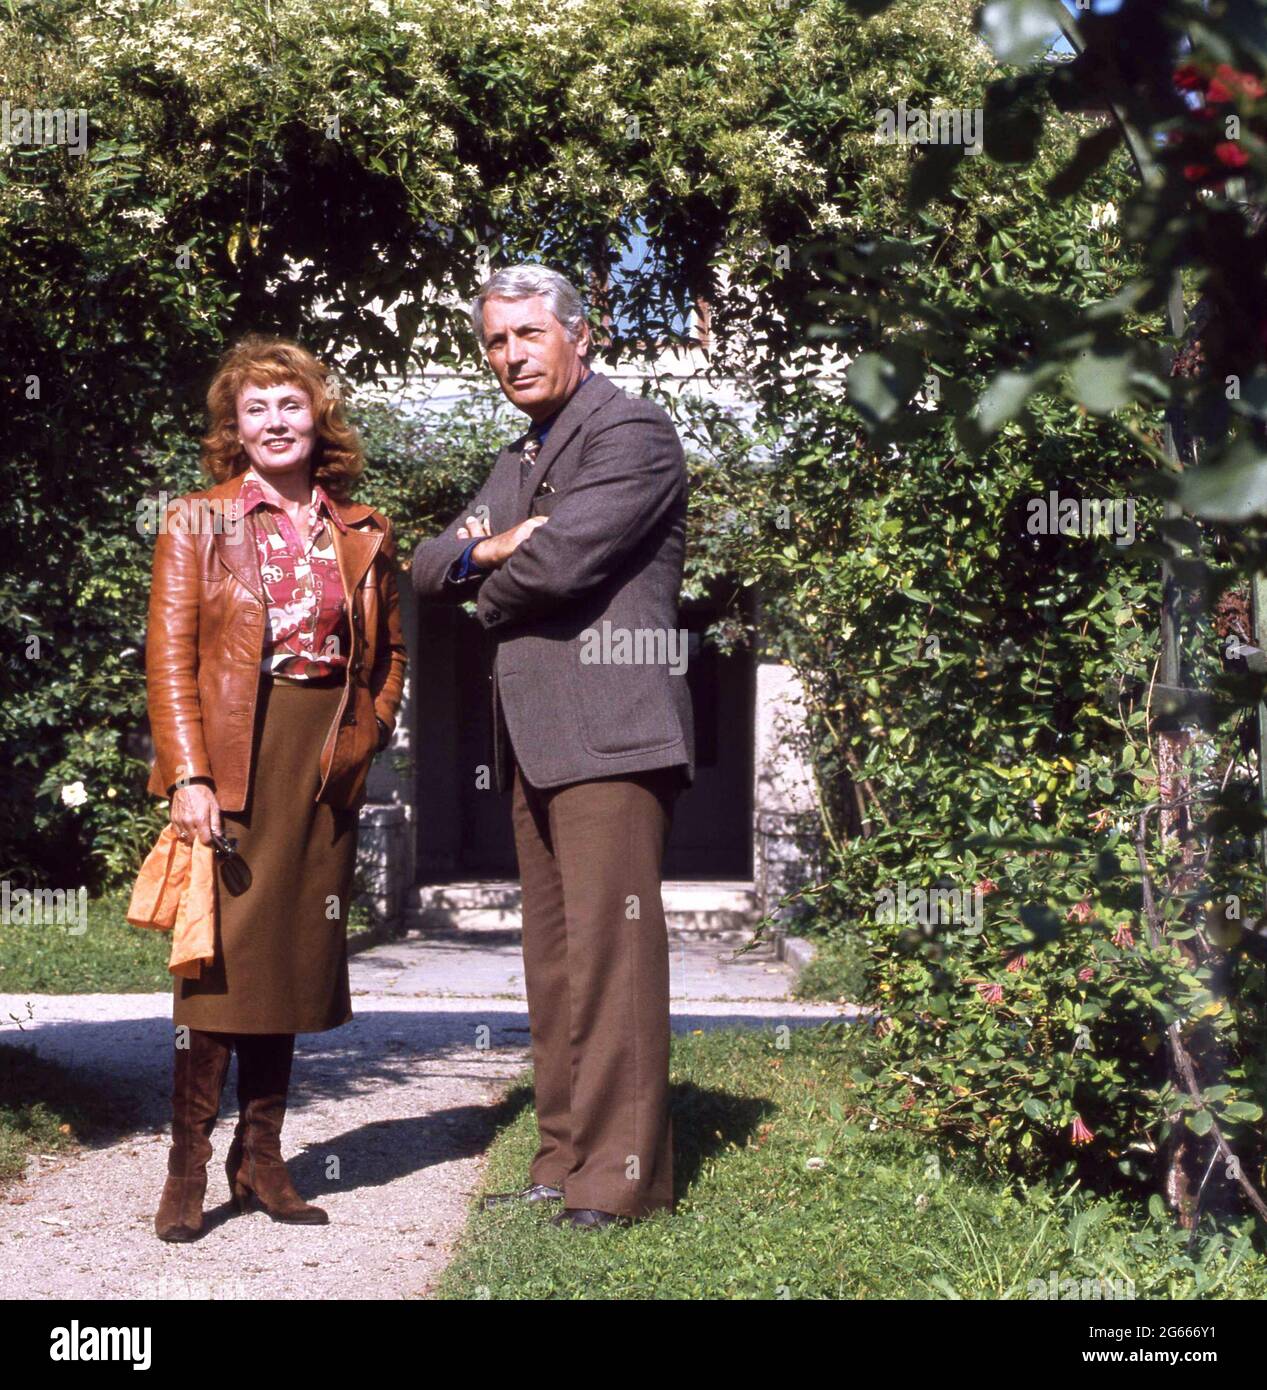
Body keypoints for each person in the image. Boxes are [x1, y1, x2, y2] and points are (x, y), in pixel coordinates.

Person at [411, 265, 694, 1228]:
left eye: (528, 335)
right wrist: (490, 547)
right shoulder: (519, 456)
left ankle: (619, 1182)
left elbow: (565, 559)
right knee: (555, 961)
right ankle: (561, 1157)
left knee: (611, 961)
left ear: (582, 334)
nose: (510, 356)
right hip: (539, 738)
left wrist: (485, 580)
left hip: (612, 733)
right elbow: (423, 563)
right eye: (494, 341)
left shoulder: (630, 431)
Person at [145, 335, 407, 1241]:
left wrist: (367, 730)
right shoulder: (197, 520)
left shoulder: (361, 528)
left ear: (317, 415)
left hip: (321, 757)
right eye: (254, 408)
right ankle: (186, 1165)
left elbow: (389, 653)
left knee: (291, 956)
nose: (274, 422)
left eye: (289, 404)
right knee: (218, 962)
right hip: (233, 752)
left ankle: (261, 1159)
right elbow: (170, 661)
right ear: (235, 428)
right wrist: (189, 773)